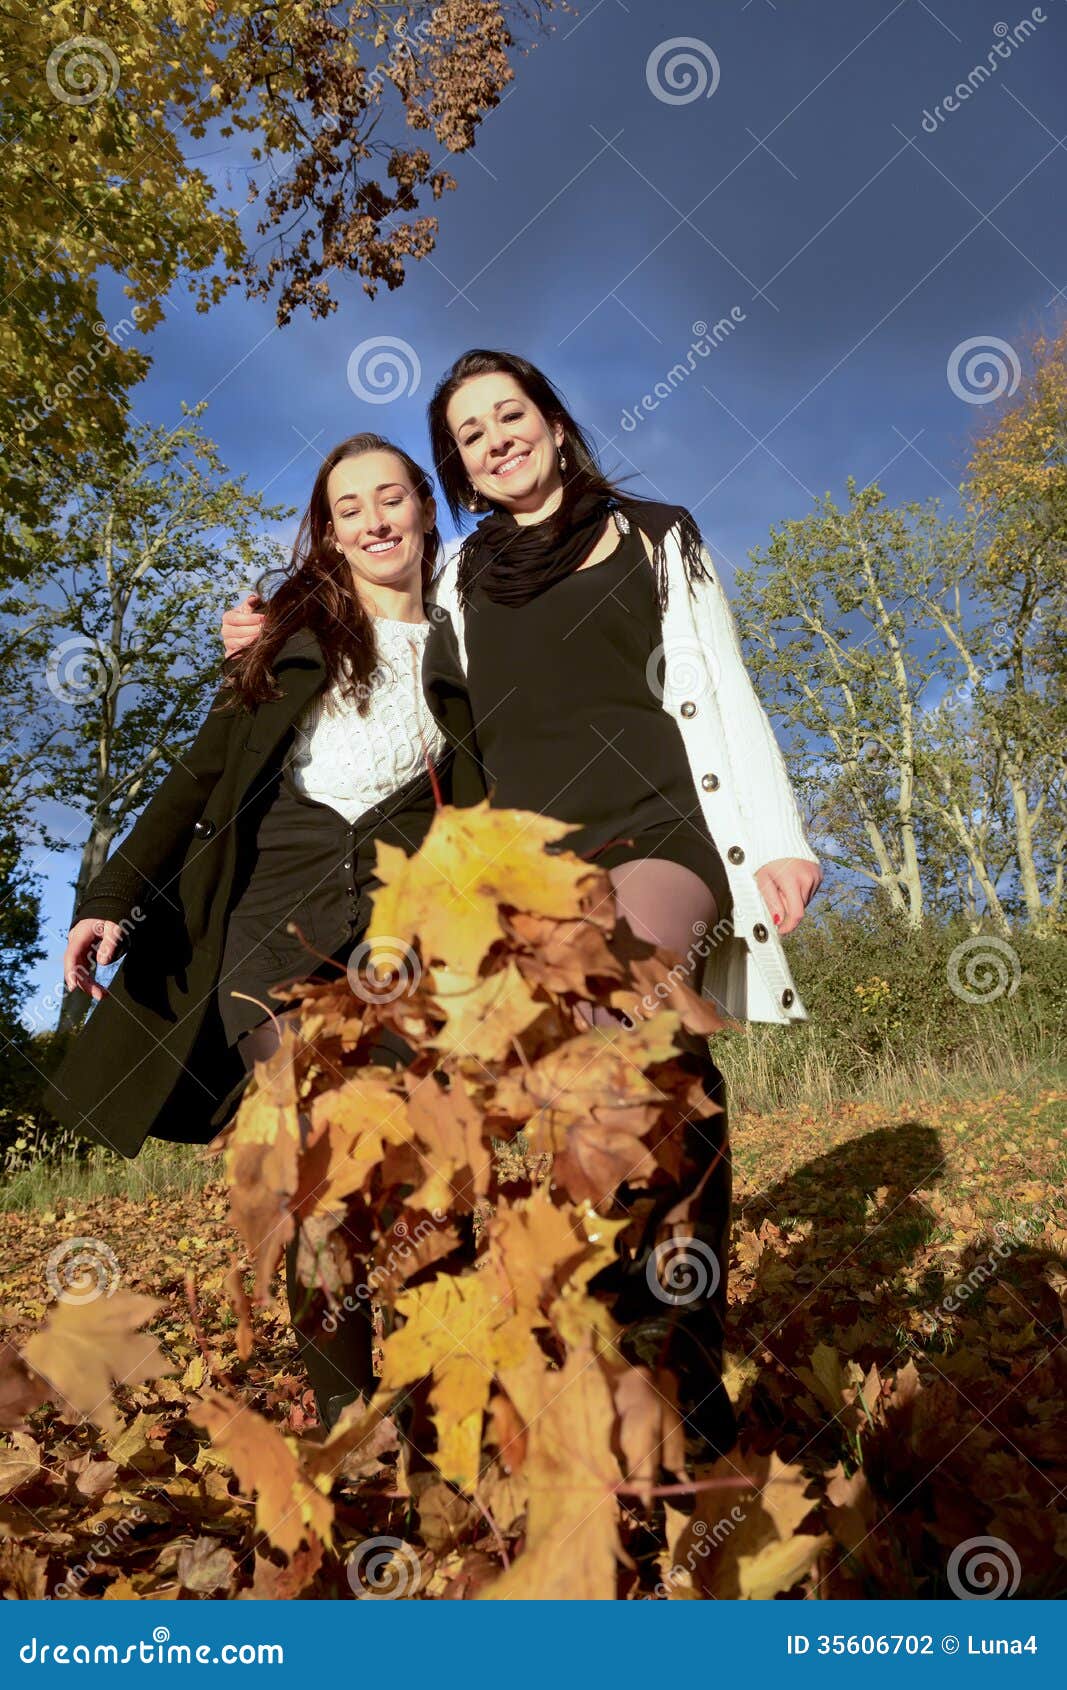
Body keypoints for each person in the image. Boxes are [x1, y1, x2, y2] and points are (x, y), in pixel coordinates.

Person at [220, 350, 823, 1460]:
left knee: (623, 1029)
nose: (495, 439)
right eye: (469, 432)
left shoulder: (654, 533)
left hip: (652, 835)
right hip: (523, 874)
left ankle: (679, 1365)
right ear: (457, 462)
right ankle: (595, 1350)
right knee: (566, 1109)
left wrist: (779, 838)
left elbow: (720, 682)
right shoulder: (456, 578)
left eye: (510, 415)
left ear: (551, 420)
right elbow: (374, 633)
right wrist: (272, 639)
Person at [43, 433, 486, 1432]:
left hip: (406, 939)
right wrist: (108, 895)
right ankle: (349, 1420)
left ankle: (439, 1398)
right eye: (347, 507)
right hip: (270, 938)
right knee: (311, 1165)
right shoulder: (290, 646)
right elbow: (198, 778)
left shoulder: (473, 640)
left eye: (390, 498)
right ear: (329, 532)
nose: (373, 520)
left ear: (423, 507)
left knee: (421, 1169)